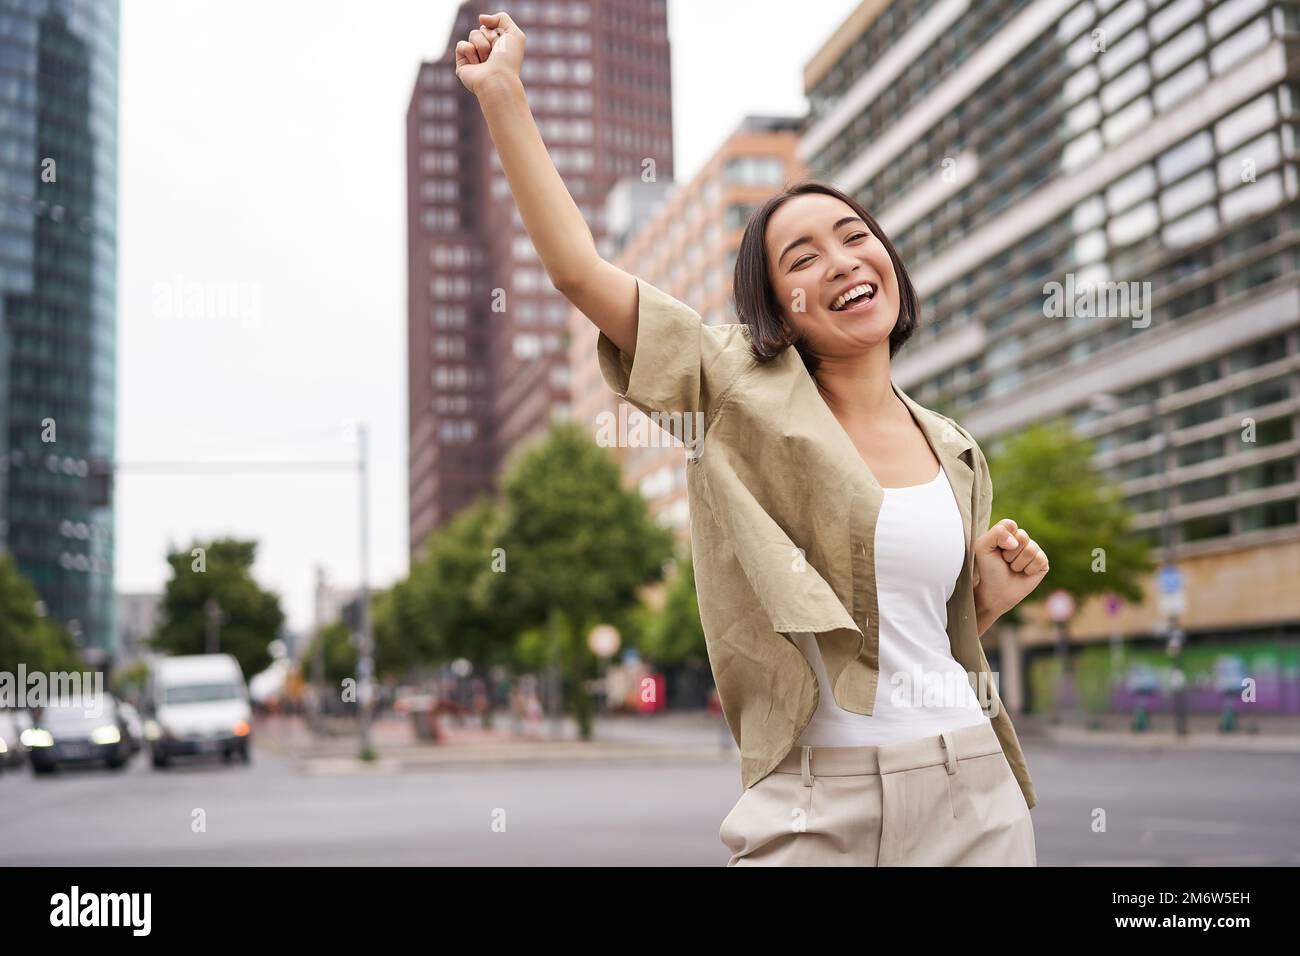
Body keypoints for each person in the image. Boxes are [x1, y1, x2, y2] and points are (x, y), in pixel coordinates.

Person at [457, 12, 1047, 866]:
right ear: (777, 306)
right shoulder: (732, 388)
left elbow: (920, 640)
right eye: (801, 258)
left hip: (975, 788)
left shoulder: (954, 446)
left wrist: (986, 596)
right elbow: (579, 271)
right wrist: (505, 95)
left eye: (855, 238)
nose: (842, 262)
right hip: (818, 802)